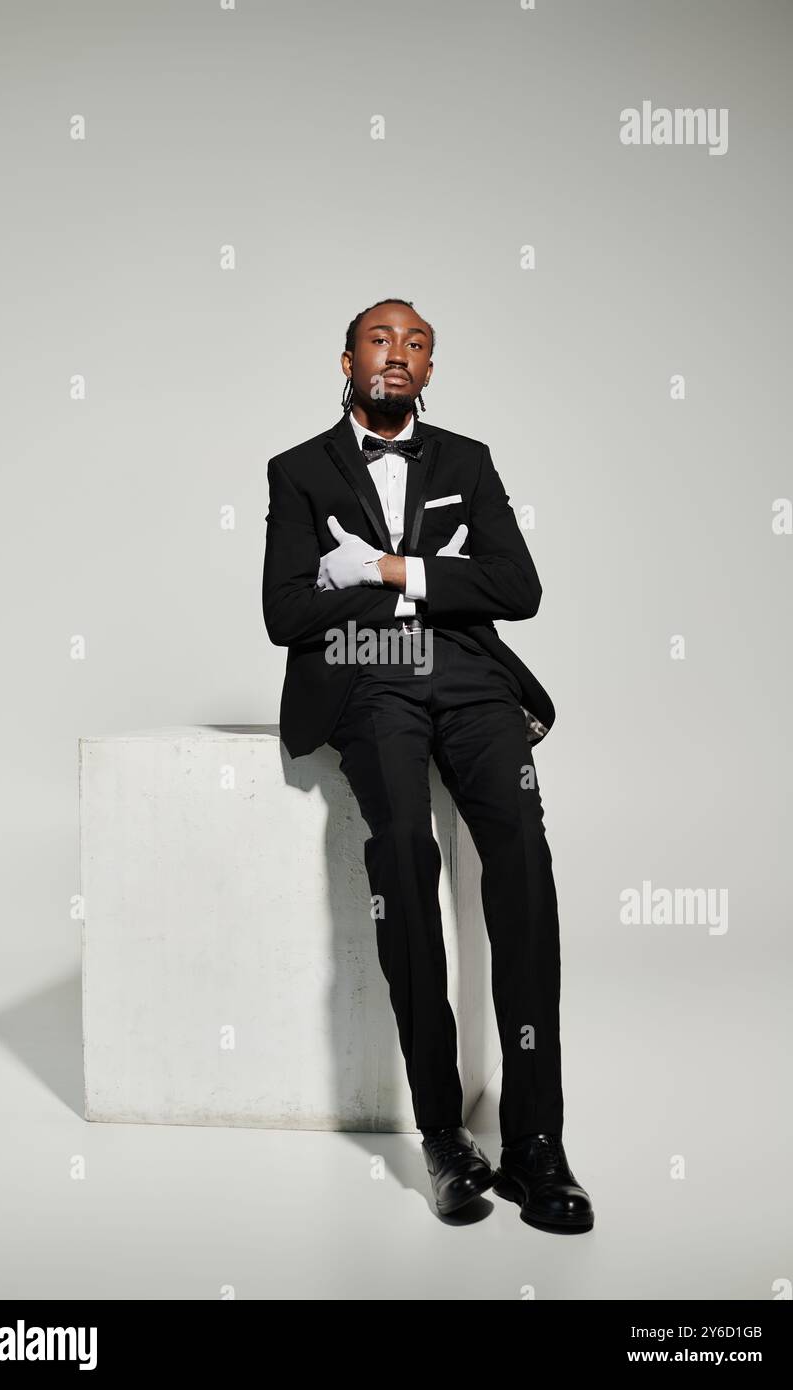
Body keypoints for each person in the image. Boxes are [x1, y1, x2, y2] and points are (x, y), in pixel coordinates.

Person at [262, 298, 593, 1231]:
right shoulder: (298, 472)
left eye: (416, 345)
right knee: (403, 848)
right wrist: (400, 583)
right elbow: (284, 614)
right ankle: (445, 1136)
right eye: (381, 339)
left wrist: (384, 570)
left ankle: (536, 1145)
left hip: (471, 676)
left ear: (430, 371)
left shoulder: (468, 462)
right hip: (368, 679)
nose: (397, 355)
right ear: (347, 357)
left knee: (522, 857)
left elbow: (518, 588)